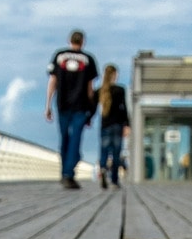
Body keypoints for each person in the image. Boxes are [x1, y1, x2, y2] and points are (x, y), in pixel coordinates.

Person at [45, 30, 98, 189]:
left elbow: (52, 81)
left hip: (62, 104)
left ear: (69, 40)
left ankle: (65, 173)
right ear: (83, 42)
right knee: (75, 139)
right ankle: (68, 173)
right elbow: (90, 88)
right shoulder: (88, 59)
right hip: (80, 106)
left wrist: (48, 105)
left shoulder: (59, 55)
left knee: (65, 139)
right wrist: (91, 108)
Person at [97, 64, 129, 188]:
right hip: (117, 125)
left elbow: (92, 106)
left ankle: (103, 168)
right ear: (115, 75)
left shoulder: (100, 91)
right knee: (116, 153)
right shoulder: (120, 90)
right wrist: (127, 125)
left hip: (105, 125)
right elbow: (124, 109)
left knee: (104, 151)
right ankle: (114, 179)